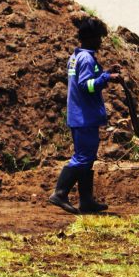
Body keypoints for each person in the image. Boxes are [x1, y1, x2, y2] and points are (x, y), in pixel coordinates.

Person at [48, 16, 122, 215]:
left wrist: (106, 73)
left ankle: (87, 201)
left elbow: (85, 80)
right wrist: (107, 77)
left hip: (79, 114)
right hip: (84, 116)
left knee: (87, 158)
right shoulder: (87, 58)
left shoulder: (76, 57)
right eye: (99, 37)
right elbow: (86, 85)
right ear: (90, 38)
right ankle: (60, 193)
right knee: (82, 157)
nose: (100, 41)